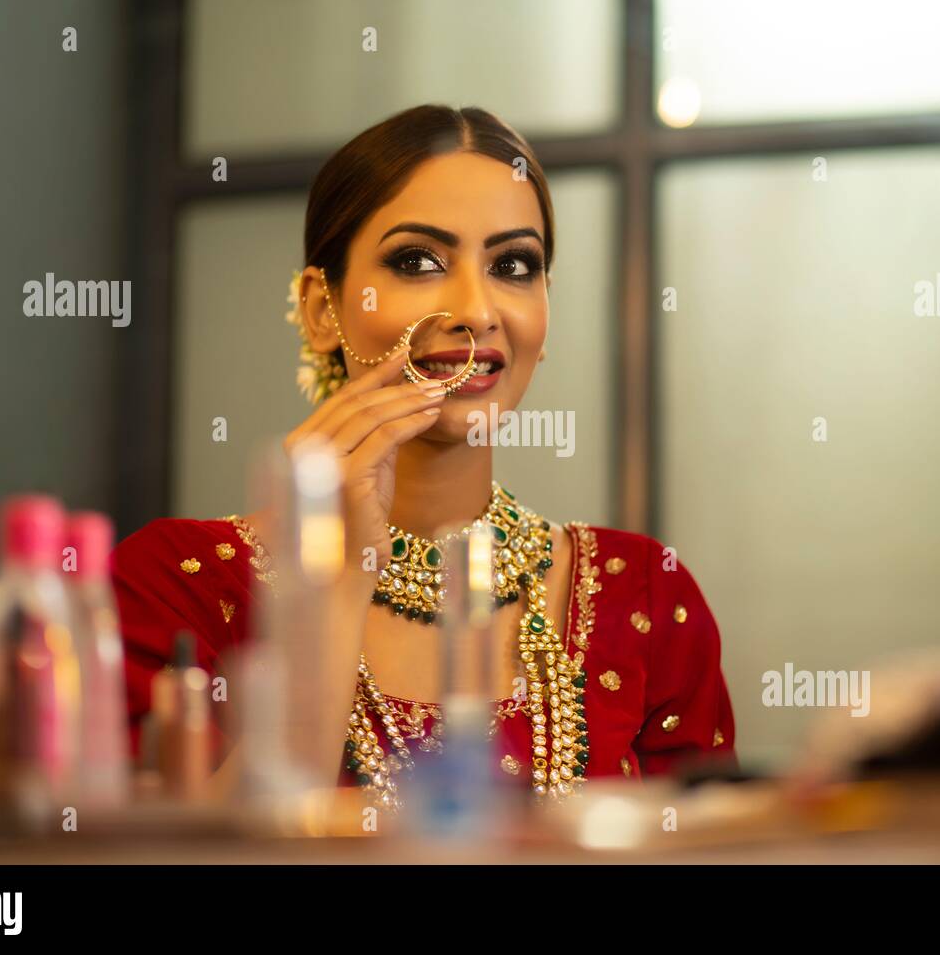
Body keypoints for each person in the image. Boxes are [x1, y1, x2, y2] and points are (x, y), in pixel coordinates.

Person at [110, 104, 736, 809]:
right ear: (322, 308)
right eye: (418, 261)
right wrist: (334, 575)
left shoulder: (644, 596)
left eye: (513, 265)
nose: (476, 308)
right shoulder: (177, 587)